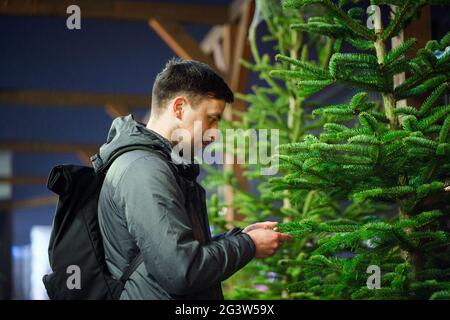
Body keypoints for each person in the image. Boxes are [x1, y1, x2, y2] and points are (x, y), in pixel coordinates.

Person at [94, 58, 292, 300]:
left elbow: (176, 251)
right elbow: (181, 271)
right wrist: (248, 246)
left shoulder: (159, 166)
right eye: (211, 118)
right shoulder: (144, 170)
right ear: (179, 108)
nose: (215, 134)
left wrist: (241, 238)